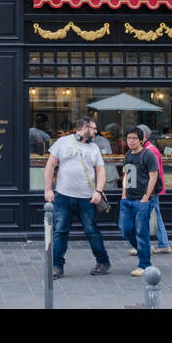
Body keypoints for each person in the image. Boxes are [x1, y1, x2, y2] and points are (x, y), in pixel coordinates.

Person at [44, 116, 111, 280]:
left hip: (86, 198)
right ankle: (57, 267)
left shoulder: (94, 148)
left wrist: (98, 191)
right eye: (94, 128)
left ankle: (103, 262)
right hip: (63, 197)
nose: (96, 131)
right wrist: (47, 189)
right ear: (84, 127)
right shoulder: (62, 142)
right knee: (60, 231)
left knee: (91, 231)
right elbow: (50, 165)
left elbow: (101, 171)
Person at [120, 128, 160, 276]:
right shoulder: (128, 155)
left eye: (134, 138)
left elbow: (153, 176)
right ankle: (144, 250)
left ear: (141, 140)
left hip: (142, 200)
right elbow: (127, 174)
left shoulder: (148, 155)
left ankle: (144, 265)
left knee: (141, 232)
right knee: (125, 229)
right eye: (128, 138)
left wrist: (145, 197)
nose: (131, 141)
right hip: (128, 199)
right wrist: (123, 194)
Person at [135, 124, 170, 254]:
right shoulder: (146, 149)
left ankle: (146, 245)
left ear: (143, 136)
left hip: (152, 190)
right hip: (150, 189)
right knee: (153, 216)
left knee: (146, 216)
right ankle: (163, 244)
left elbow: (153, 173)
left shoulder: (151, 150)